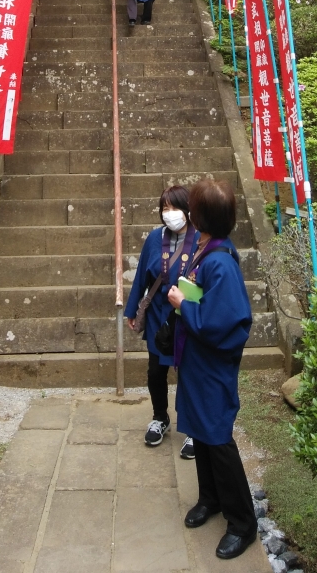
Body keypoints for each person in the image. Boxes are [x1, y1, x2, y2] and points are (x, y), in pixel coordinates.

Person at [167, 179, 257, 561]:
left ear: (201, 216)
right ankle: (211, 498)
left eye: (192, 209)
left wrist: (182, 304)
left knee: (218, 438)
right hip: (197, 361)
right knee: (201, 433)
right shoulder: (207, 247)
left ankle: (243, 524)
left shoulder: (220, 262)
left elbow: (225, 322)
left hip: (213, 366)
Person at [124, 185, 199, 459]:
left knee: (188, 373)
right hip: (158, 315)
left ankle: (193, 429)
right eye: (165, 209)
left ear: (188, 210)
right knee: (155, 370)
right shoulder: (155, 239)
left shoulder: (200, 238)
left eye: (175, 208)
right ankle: (160, 417)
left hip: (187, 316)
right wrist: (132, 310)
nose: (169, 214)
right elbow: (142, 277)